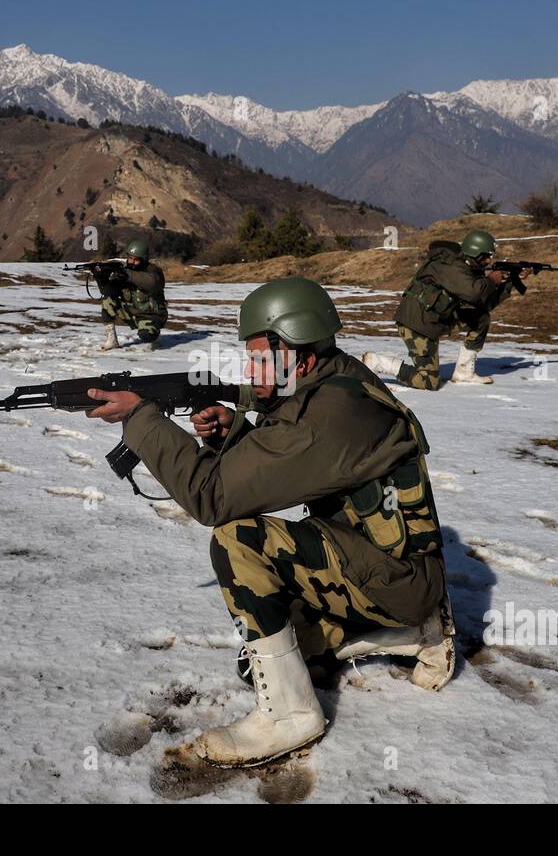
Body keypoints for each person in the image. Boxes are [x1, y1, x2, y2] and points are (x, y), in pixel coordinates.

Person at [85, 277, 455, 768]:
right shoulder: (339, 379)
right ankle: (416, 631)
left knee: (238, 540)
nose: (248, 369)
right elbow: (286, 454)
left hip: (391, 580)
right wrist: (232, 428)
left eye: (260, 357)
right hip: (388, 566)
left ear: (299, 355)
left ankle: (290, 717)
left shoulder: (326, 418)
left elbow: (212, 496)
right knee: (260, 660)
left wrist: (142, 420)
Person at [362, 230, 530, 388]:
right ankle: (379, 362)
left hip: (436, 319)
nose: (489, 261)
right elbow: (474, 293)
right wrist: (492, 280)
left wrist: (509, 282)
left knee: (481, 318)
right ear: (475, 253)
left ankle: (464, 373)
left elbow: (484, 302)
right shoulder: (450, 266)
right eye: (486, 257)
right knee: (428, 382)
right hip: (417, 324)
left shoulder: (466, 269)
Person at [98, 239, 168, 350]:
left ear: (144, 260)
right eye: (130, 258)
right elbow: (109, 291)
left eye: (136, 260)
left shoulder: (153, 271)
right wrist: (101, 278)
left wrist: (127, 275)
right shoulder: (124, 271)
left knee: (146, 336)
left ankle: (155, 334)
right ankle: (111, 340)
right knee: (108, 300)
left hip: (151, 315)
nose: (132, 262)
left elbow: (153, 283)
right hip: (132, 312)